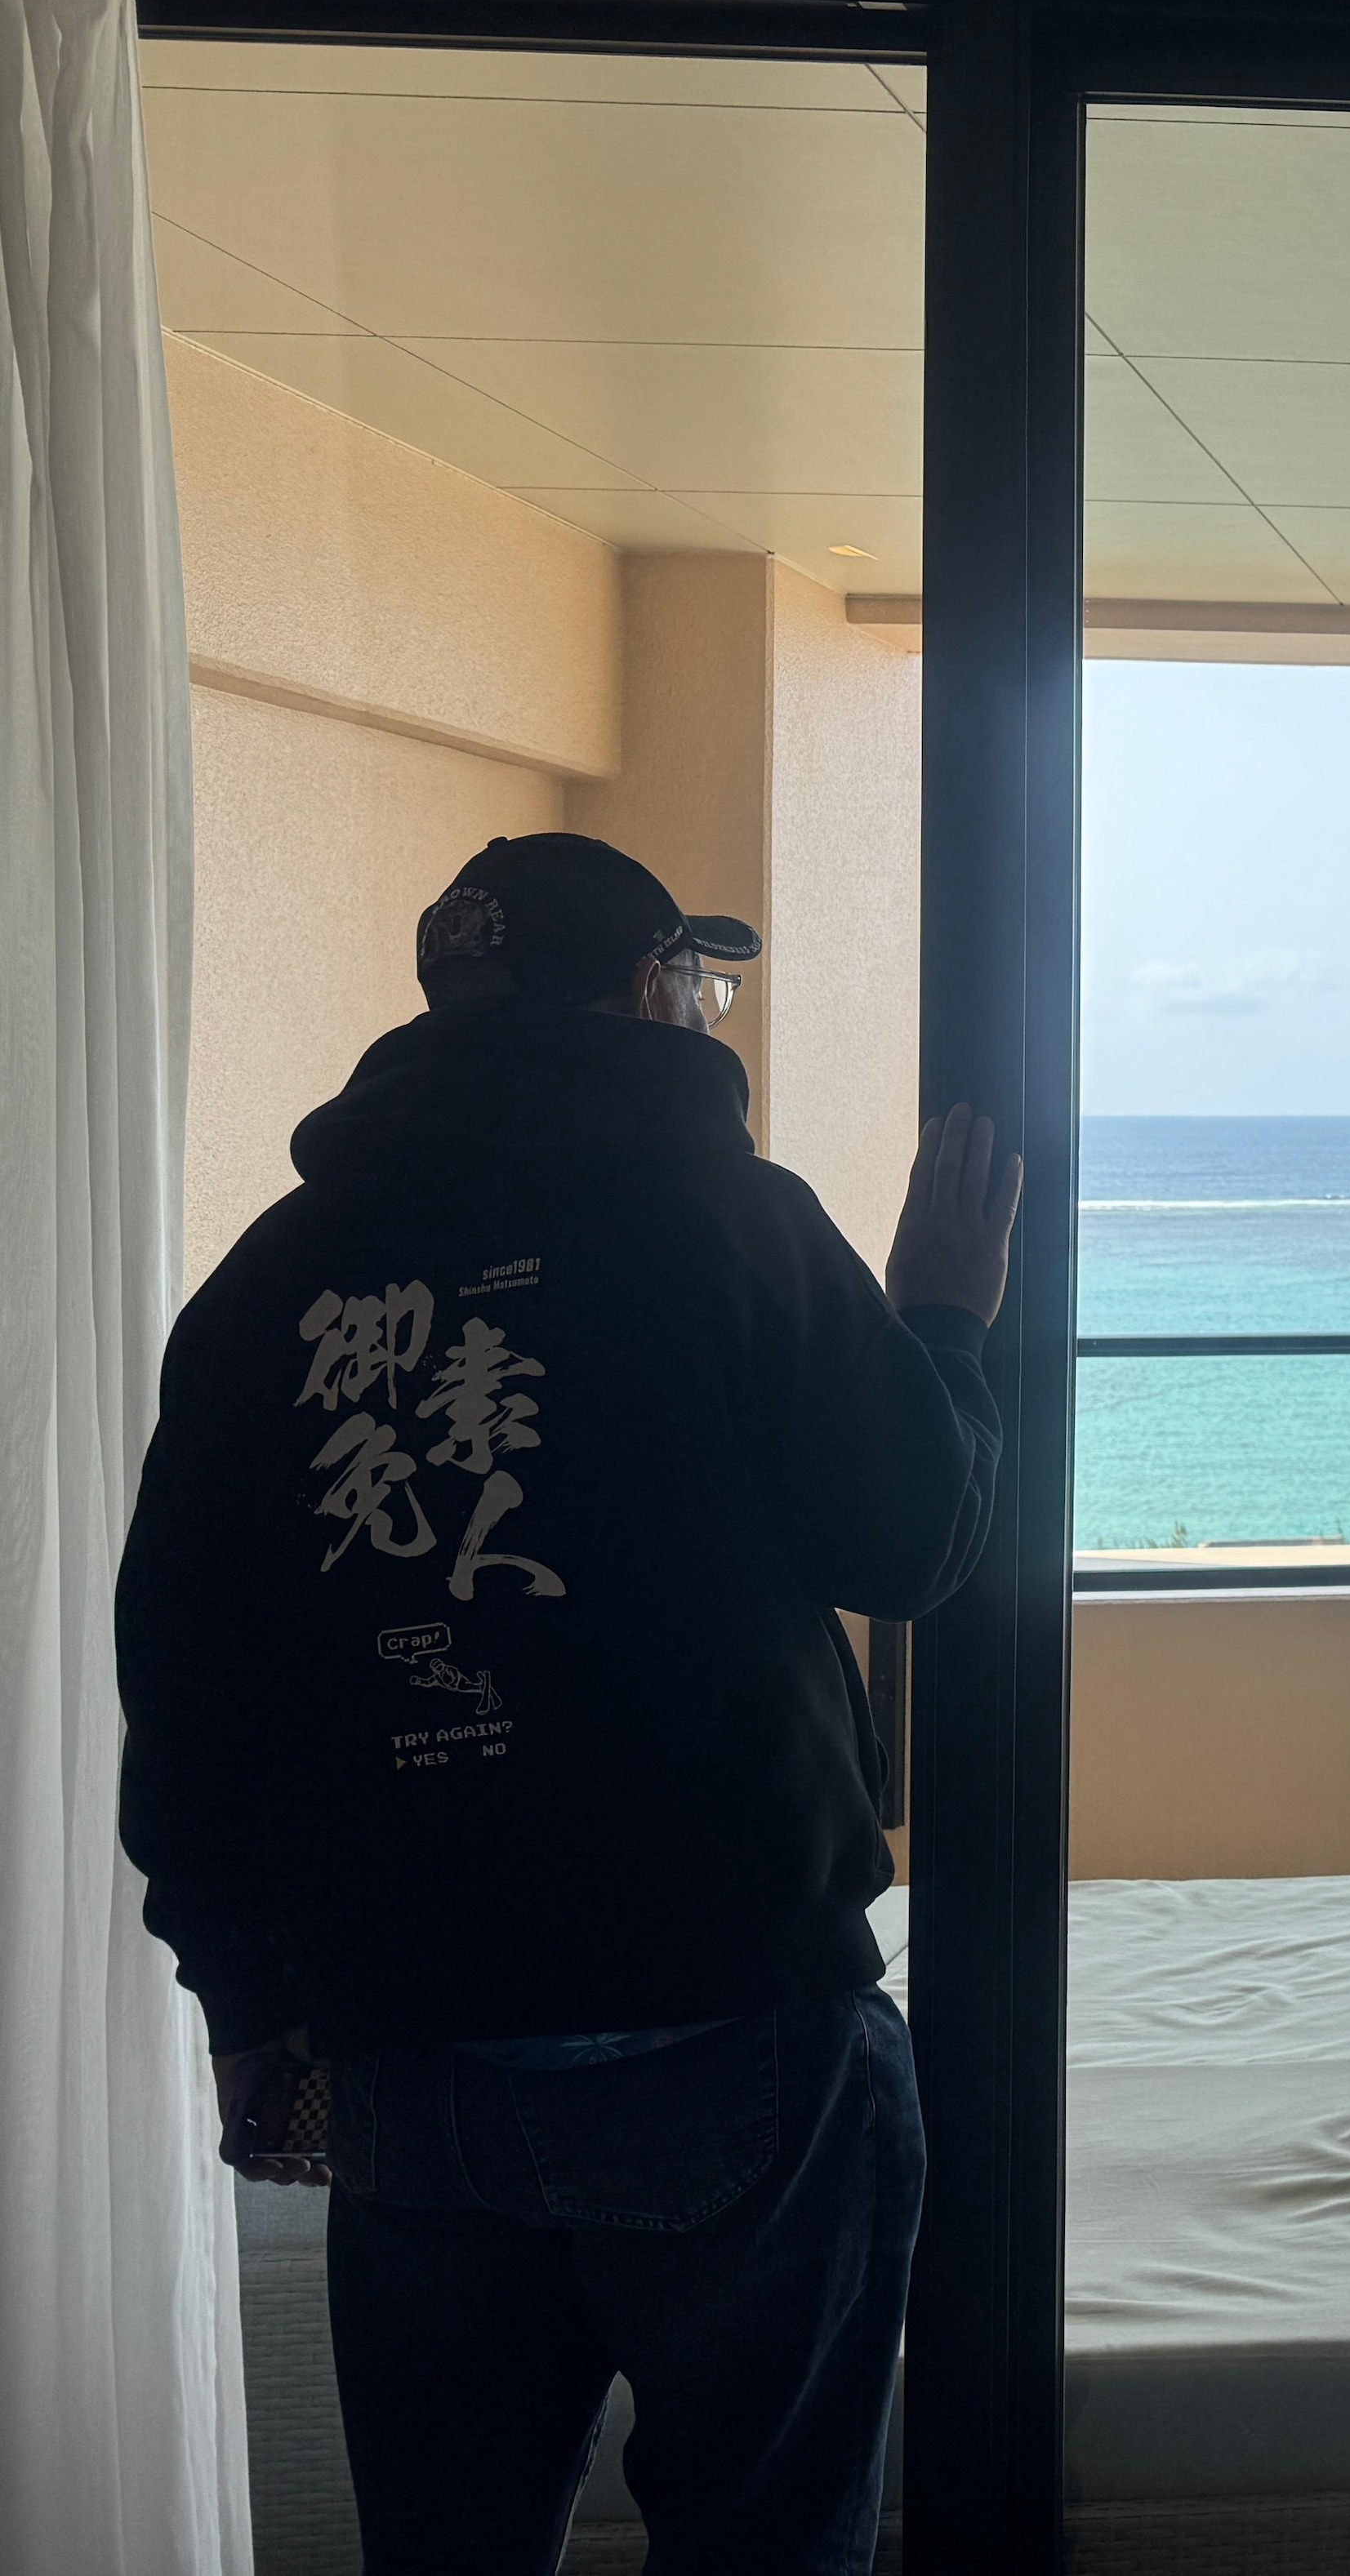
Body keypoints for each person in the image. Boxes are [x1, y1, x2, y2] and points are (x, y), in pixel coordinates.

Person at [115, 830, 1021, 2576]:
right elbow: (913, 1540)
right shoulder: (730, 1220)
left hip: (406, 2048)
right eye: (700, 978)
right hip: (724, 2019)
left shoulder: (270, 1279)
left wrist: (248, 2004)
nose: (704, 1008)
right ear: (647, 990)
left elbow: (186, 1669)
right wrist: (945, 1322)